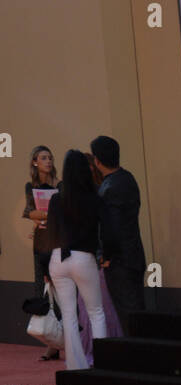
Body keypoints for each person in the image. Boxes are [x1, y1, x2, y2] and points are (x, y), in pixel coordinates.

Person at [45, 149, 116, 371]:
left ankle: (75, 366)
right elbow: (109, 231)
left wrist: (45, 267)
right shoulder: (95, 198)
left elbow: (49, 235)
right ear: (87, 170)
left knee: (68, 314)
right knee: (96, 312)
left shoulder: (56, 199)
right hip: (83, 258)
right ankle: (103, 363)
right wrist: (108, 255)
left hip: (58, 258)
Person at [89, 135, 147, 331]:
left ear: (97, 161)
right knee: (135, 312)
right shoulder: (127, 178)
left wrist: (107, 255)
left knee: (130, 317)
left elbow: (111, 228)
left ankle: (138, 357)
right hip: (133, 255)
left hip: (120, 262)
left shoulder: (109, 188)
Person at [23, 147, 60, 360]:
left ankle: (64, 340)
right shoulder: (31, 186)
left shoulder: (59, 184)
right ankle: (51, 344)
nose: (48, 161)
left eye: (50, 157)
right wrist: (39, 219)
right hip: (40, 243)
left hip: (56, 241)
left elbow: (60, 211)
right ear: (35, 162)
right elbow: (29, 211)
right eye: (43, 158)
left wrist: (41, 218)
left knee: (60, 292)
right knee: (42, 291)